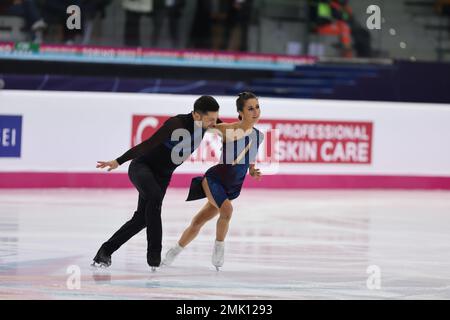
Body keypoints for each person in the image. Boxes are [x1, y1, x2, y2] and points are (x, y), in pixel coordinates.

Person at [93, 96, 220, 270]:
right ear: (197, 115)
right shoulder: (176, 124)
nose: (214, 123)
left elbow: (233, 129)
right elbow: (148, 144)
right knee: (154, 197)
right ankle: (154, 257)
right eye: (210, 119)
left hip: (162, 176)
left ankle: (105, 251)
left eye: (215, 118)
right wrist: (118, 161)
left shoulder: (208, 122)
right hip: (142, 167)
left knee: (141, 219)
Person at [162, 92, 264, 270]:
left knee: (197, 222)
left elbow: (249, 156)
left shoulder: (259, 136)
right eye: (250, 108)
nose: (255, 111)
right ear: (240, 112)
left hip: (232, 187)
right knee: (227, 210)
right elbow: (205, 125)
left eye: (257, 107)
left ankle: (175, 251)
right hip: (214, 180)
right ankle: (219, 247)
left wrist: (252, 170)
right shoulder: (228, 129)